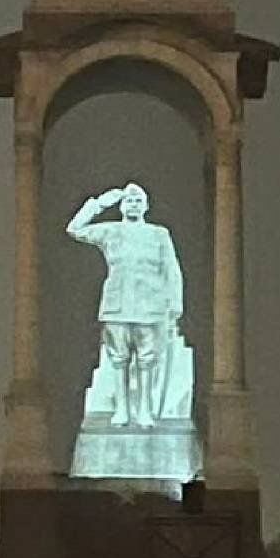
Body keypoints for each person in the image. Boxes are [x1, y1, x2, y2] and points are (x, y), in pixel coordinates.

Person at [66, 183, 182, 428]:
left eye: (138, 200)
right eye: (129, 200)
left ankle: (145, 410)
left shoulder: (159, 234)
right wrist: (100, 203)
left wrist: (175, 301)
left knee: (147, 359)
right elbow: (74, 229)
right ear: (121, 206)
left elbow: (171, 269)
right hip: (117, 303)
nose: (133, 204)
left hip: (150, 304)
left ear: (146, 206)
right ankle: (121, 409)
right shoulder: (111, 231)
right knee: (119, 359)